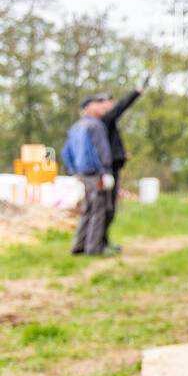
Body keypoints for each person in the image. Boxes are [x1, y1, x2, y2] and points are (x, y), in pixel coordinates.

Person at [96, 73, 149, 244]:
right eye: (106, 102)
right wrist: (137, 91)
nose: (110, 104)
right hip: (107, 169)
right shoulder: (104, 119)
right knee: (106, 208)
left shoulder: (105, 122)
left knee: (109, 207)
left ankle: (104, 241)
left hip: (113, 166)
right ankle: (101, 242)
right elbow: (121, 107)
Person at [61, 97, 115, 256]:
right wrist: (106, 171)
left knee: (87, 209)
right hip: (95, 173)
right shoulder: (96, 125)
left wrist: (73, 171)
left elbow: (66, 152)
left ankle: (78, 245)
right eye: (99, 104)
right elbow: (102, 150)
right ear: (90, 107)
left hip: (82, 174)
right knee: (98, 209)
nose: (103, 107)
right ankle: (94, 248)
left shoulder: (75, 127)